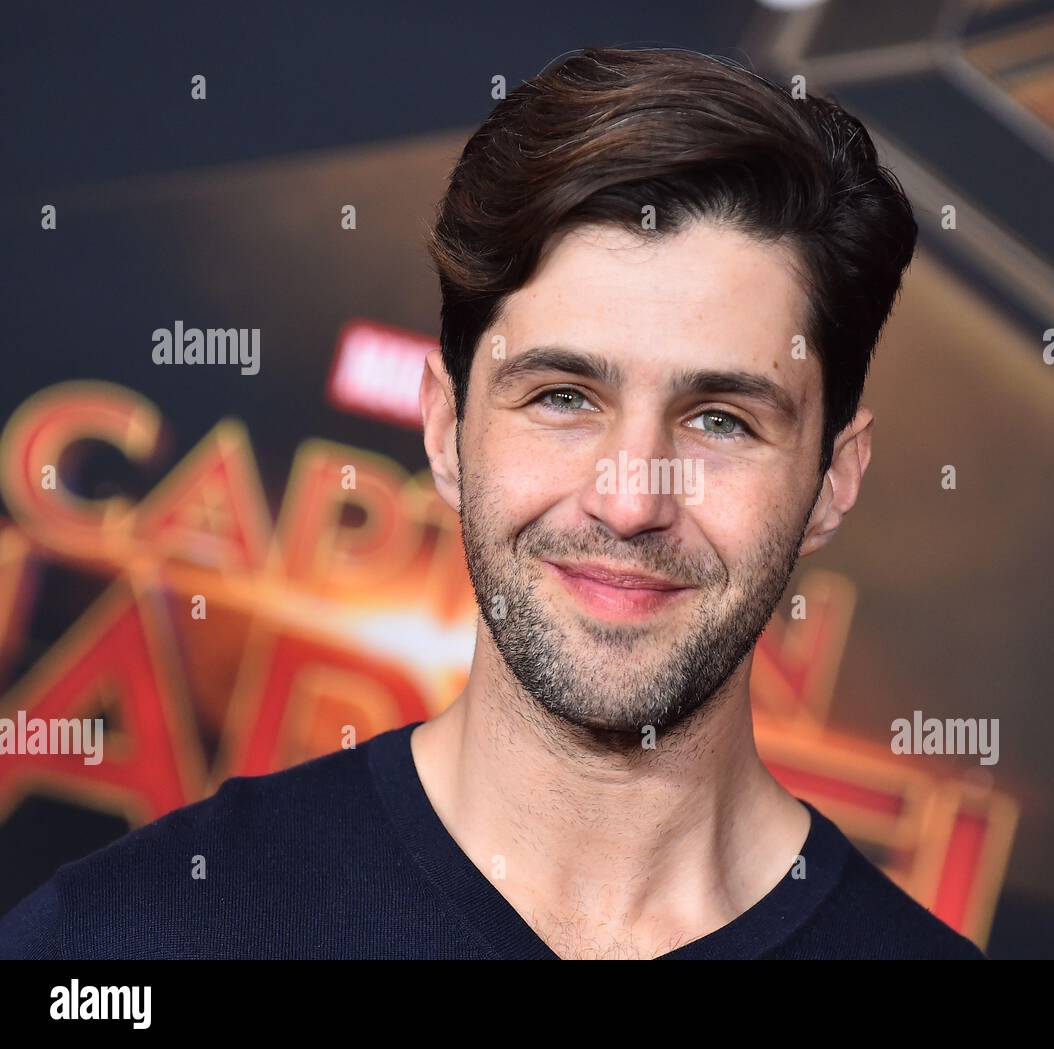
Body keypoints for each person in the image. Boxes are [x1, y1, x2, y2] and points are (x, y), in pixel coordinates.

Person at [0, 46, 983, 960]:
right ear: (444, 430)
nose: (631, 498)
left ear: (833, 479)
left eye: (721, 418)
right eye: (562, 398)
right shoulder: (126, 937)